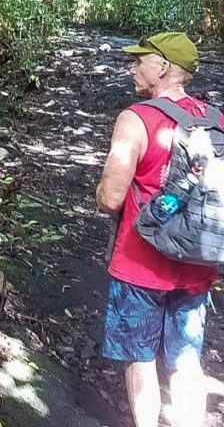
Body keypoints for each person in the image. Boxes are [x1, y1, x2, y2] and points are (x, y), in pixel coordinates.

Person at [96, 32, 217, 427]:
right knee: (186, 363)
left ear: (163, 67)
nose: (133, 68)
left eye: (140, 60)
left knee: (141, 359)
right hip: (199, 263)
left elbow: (111, 199)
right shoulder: (217, 121)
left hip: (139, 264)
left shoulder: (136, 118)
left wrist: (101, 189)